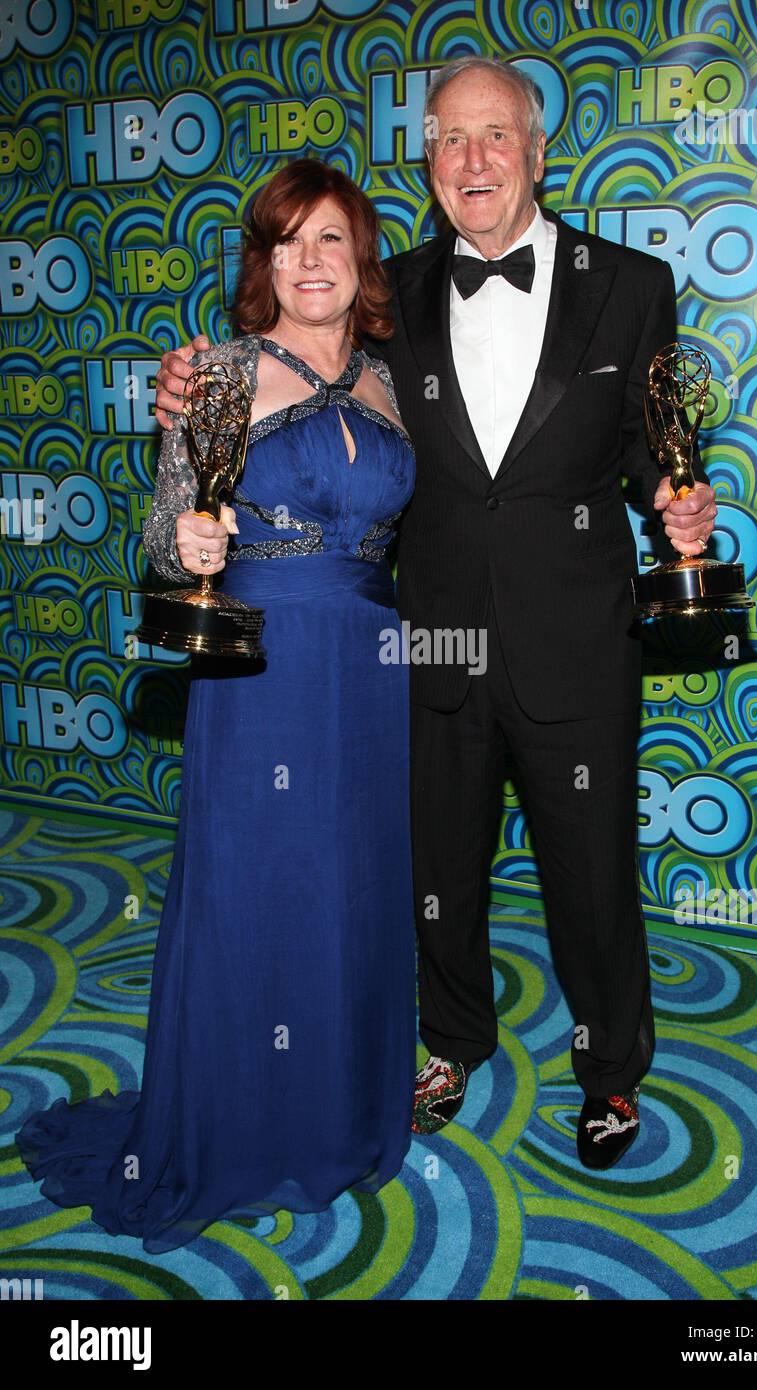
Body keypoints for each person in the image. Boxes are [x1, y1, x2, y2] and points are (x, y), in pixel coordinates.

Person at [156, 58, 718, 1172]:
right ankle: (451, 1041)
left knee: (591, 872)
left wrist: (678, 505)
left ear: (536, 150)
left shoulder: (633, 283)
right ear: (426, 161)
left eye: (493, 136)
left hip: (576, 633)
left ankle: (609, 1068)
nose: (472, 161)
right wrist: (188, 393)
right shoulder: (392, 294)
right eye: (449, 141)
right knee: (437, 868)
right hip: (428, 640)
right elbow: (284, 377)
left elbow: (655, 447)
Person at [15, 158, 417, 1252]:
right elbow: (160, 535)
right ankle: (239, 1119)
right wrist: (184, 542)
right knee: (256, 886)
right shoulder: (221, 375)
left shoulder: (390, 380)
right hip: (260, 670)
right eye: (286, 241)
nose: (309, 260)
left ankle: (341, 1107)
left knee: (351, 888)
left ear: (360, 255)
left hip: (367, 672)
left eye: (329, 237)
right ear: (263, 263)